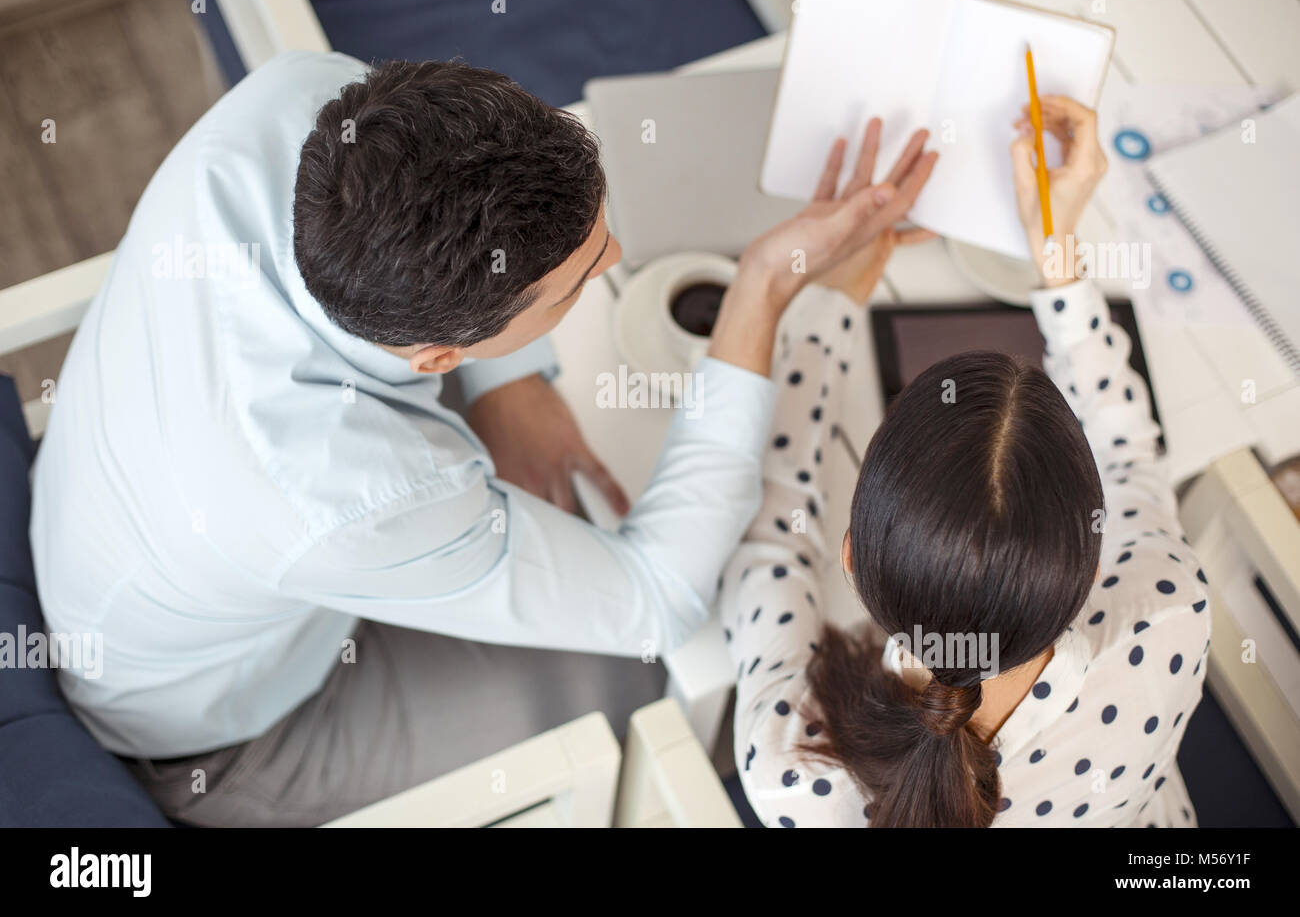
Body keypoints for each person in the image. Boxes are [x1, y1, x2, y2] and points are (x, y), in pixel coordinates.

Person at [29, 50, 937, 825]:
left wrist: (510, 378)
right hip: (228, 732)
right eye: (577, 281)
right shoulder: (339, 494)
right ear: (436, 356)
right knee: (658, 676)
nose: (616, 261)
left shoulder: (311, 104)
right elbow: (655, 597)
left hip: (154, 531)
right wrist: (763, 289)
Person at [723, 97, 1211, 827]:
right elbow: (1132, 457)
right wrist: (1058, 250)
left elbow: (767, 532)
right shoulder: (1171, 613)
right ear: (1088, 561)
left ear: (853, 557)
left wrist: (831, 301)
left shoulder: (792, 762)